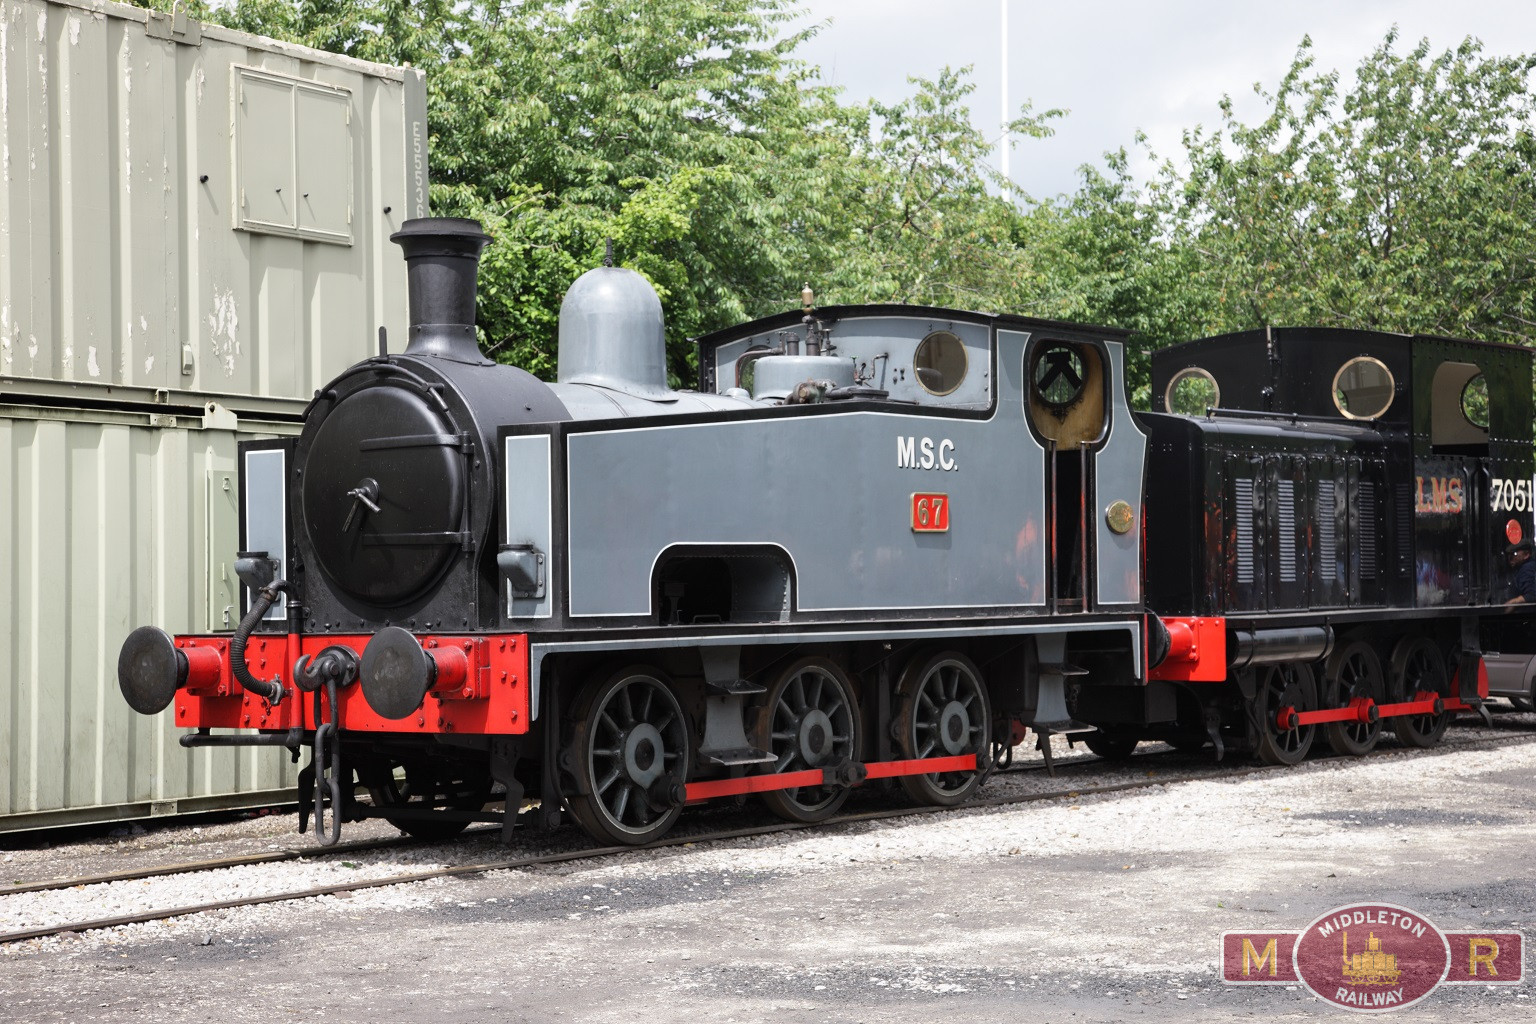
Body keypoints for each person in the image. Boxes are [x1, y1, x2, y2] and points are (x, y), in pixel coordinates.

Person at [1506, 539, 1536, 605]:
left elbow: (1532, 595)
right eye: (1509, 555)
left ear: (1526, 555)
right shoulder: (1520, 569)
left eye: (1515, 554)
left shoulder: (1527, 569)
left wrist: (1512, 603)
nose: (1510, 558)